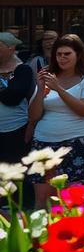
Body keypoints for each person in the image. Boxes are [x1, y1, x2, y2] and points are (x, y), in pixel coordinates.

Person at [26, 34, 84, 206]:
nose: (62, 58)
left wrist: (58, 89)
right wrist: (40, 87)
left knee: (71, 202)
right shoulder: (49, 76)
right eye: (58, 54)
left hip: (76, 141)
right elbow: (34, 116)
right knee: (43, 201)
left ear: (78, 55)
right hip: (44, 141)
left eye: (67, 54)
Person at [0, 33, 34, 206]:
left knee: (18, 165)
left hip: (18, 127)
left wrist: (6, 93)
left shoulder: (23, 69)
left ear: (10, 47)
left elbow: (13, 98)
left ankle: (20, 202)